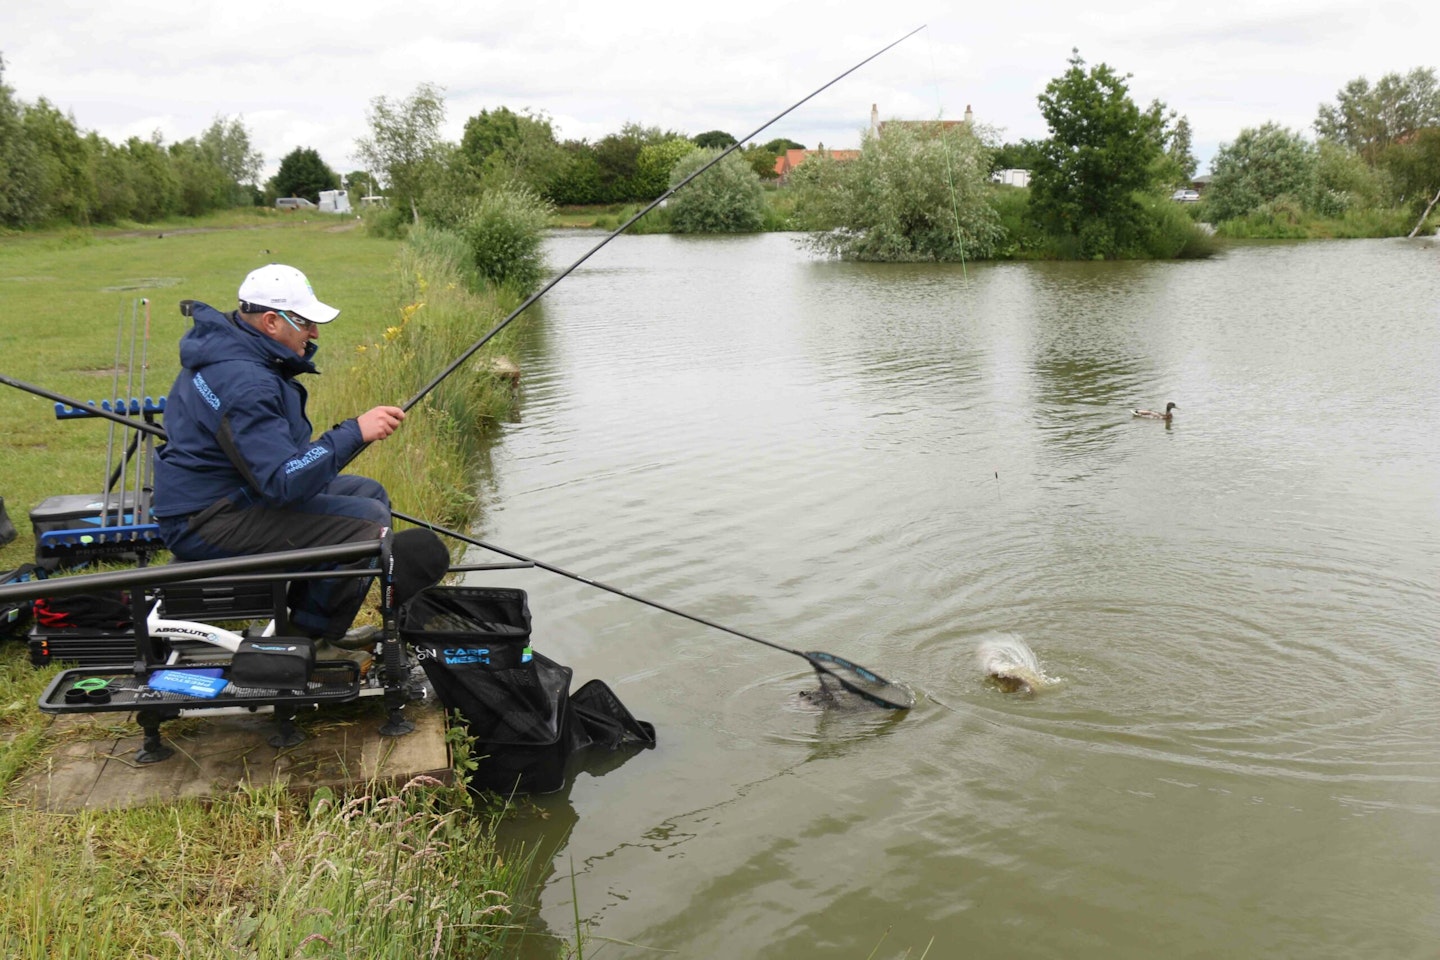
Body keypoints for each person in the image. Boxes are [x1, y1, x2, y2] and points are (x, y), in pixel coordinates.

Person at [152, 264, 405, 644]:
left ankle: (305, 622)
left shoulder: (232, 351)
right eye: (305, 323)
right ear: (271, 321)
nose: (315, 333)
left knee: (368, 494)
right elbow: (282, 482)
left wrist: (345, 441)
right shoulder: (244, 381)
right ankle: (307, 640)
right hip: (206, 518)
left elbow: (278, 466)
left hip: (230, 494)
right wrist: (354, 432)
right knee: (367, 527)